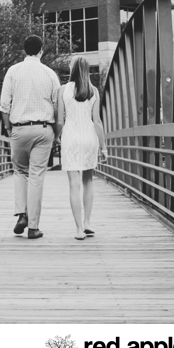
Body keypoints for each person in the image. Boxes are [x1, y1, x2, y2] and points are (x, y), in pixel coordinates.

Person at [0, 34, 61, 240]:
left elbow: (4, 105)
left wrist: (9, 128)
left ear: (24, 50)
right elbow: (57, 106)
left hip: (18, 129)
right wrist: (56, 132)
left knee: (20, 172)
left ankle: (21, 215)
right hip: (43, 130)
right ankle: (33, 227)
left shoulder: (13, 71)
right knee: (36, 176)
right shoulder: (50, 73)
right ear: (41, 50)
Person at [57, 57, 107, 240]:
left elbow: (60, 121)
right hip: (89, 138)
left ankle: (78, 230)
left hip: (71, 138)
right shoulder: (94, 91)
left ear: (73, 69)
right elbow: (97, 122)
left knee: (74, 184)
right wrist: (104, 147)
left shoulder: (63, 90)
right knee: (88, 181)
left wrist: (55, 137)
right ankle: (87, 223)